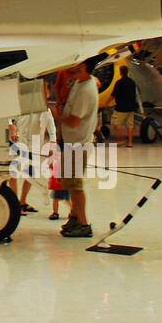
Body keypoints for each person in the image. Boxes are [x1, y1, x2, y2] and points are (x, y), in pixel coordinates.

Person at [56, 56, 101, 238]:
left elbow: (74, 121)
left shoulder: (86, 90)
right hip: (71, 142)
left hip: (78, 144)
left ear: (83, 66)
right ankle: (74, 217)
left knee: (75, 185)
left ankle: (83, 224)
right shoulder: (79, 83)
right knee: (68, 181)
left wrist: (57, 116)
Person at [110, 68, 139, 148]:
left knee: (116, 123)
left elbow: (113, 95)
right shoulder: (132, 82)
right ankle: (130, 143)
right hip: (131, 107)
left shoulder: (119, 82)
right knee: (130, 125)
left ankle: (120, 140)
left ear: (120, 72)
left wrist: (106, 103)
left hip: (121, 108)